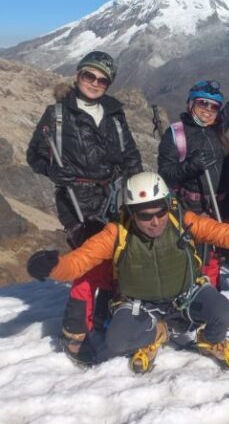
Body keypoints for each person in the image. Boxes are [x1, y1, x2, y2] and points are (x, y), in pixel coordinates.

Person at [26, 171, 229, 372]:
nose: (155, 221)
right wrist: (53, 267)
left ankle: (209, 340)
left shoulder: (182, 220)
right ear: (131, 213)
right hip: (139, 304)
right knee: (116, 342)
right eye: (145, 215)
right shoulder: (116, 232)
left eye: (160, 211)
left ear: (168, 205)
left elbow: (225, 236)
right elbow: (79, 262)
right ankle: (160, 331)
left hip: (186, 294)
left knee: (225, 313)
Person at [26, 50, 142, 360]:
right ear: (78, 75)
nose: (94, 83)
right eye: (89, 76)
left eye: (102, 80)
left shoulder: (115, 114)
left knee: (116, 259)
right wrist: (53, 171)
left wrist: (136, 192)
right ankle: (74, 334)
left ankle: (101, 314)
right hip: (77, 199)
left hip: (114, 196)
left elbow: (131, 156)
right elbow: (34, 155)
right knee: (90, 262)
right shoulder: (57, 114)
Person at [157, 34, 229, 287]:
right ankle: (188, 304)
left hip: (218, 207)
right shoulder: (176, 134)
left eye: (214, 106)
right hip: (189, 210)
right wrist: (191, 166)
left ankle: (210, 304)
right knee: (191, 259)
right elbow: (165, 174)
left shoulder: (218, 127)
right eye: (202, 103)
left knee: (212, 259)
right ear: (191, 103)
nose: (208, 110)